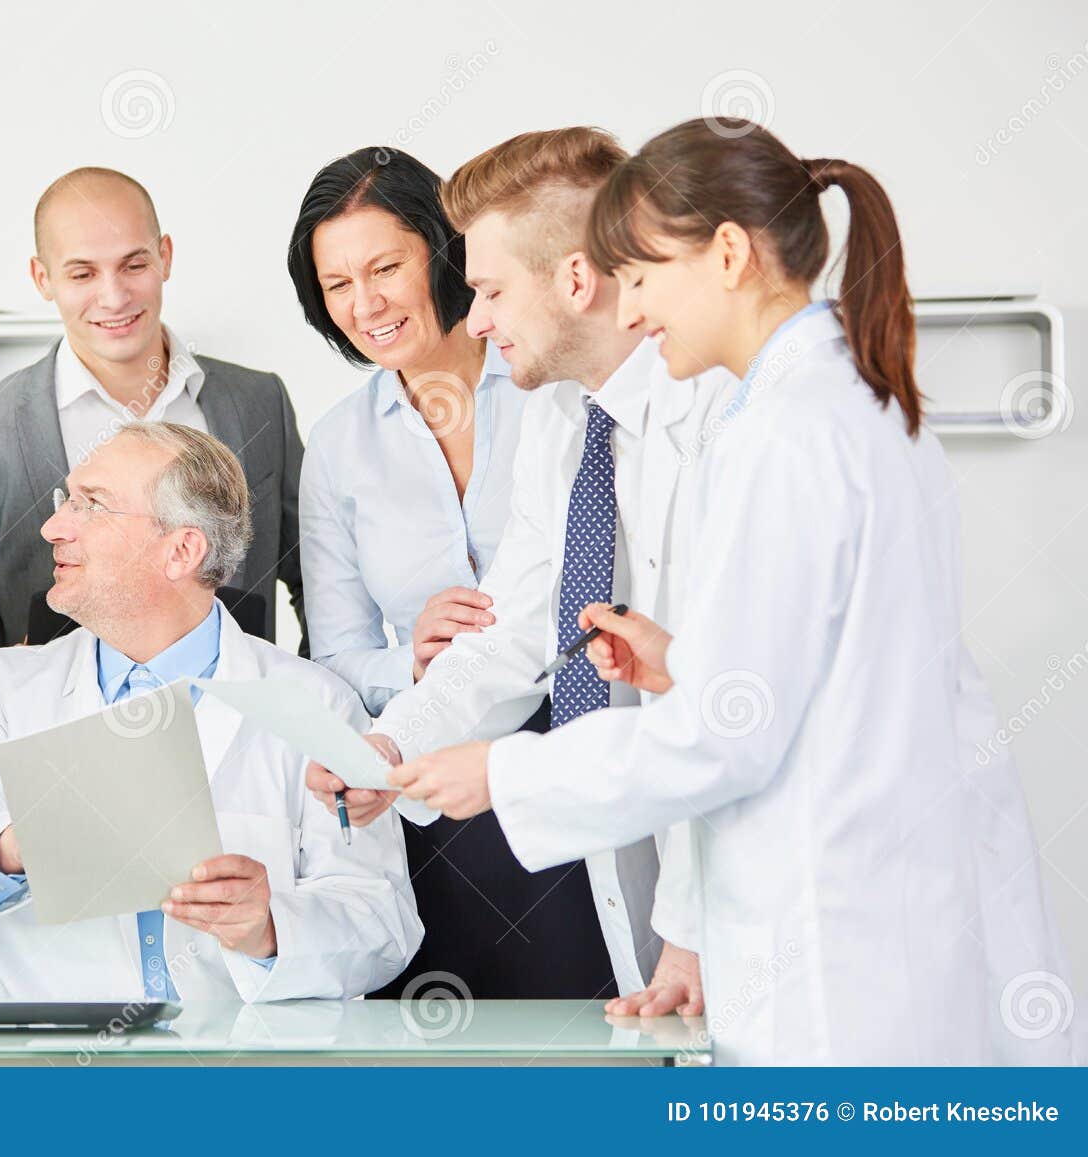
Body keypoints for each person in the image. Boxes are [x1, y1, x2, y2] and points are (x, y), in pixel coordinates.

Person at [381, 118, 1076, 1064]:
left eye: (644, 276)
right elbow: (796, 666)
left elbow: (729, 732)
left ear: (730, 256)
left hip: (842, 940)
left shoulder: (777, 431)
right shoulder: (819, 402)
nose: (633, 305)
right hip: (838, 915)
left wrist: (501, 773)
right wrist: (684, 662)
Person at [288, 145, 658, 1000]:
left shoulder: (559, 392)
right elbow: (515, 629)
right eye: (338, 283)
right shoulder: (351, 443)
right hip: (442, 779)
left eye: (387, 267)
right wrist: (388, 739)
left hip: (593, 759)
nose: (366, 302)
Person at [0, 422, 421, 1001]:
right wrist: (21, 845)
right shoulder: (5, 689)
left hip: (240, 1072)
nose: (52, 527)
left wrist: (266, 929)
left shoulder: (315, 703)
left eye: (93, 505)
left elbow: (384, 922)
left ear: (182, 551)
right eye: (68, 500)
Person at [0, 167, 309, 769]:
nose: (115, 296)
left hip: (243, 762)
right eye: (82, 273)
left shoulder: (258, 403)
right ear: (42, 278)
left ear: (165, 256)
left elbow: (314, 582)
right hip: (62, 780)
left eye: (134, 265)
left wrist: (327, 734)